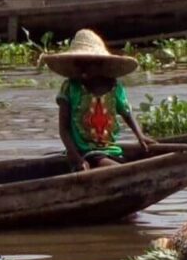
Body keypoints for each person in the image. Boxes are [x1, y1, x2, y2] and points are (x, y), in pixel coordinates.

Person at [43, 29, 154, 172]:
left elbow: (127, 113)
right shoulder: (70, 88)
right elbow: (63, 129)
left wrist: (140, 136)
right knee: (120, 170)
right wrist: (75, 157)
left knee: (117, 165)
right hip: (85, 153)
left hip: (111, 151)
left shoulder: (115, 87)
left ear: (100, 63)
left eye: (88, 63)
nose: (83, 69)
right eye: (79, 64)